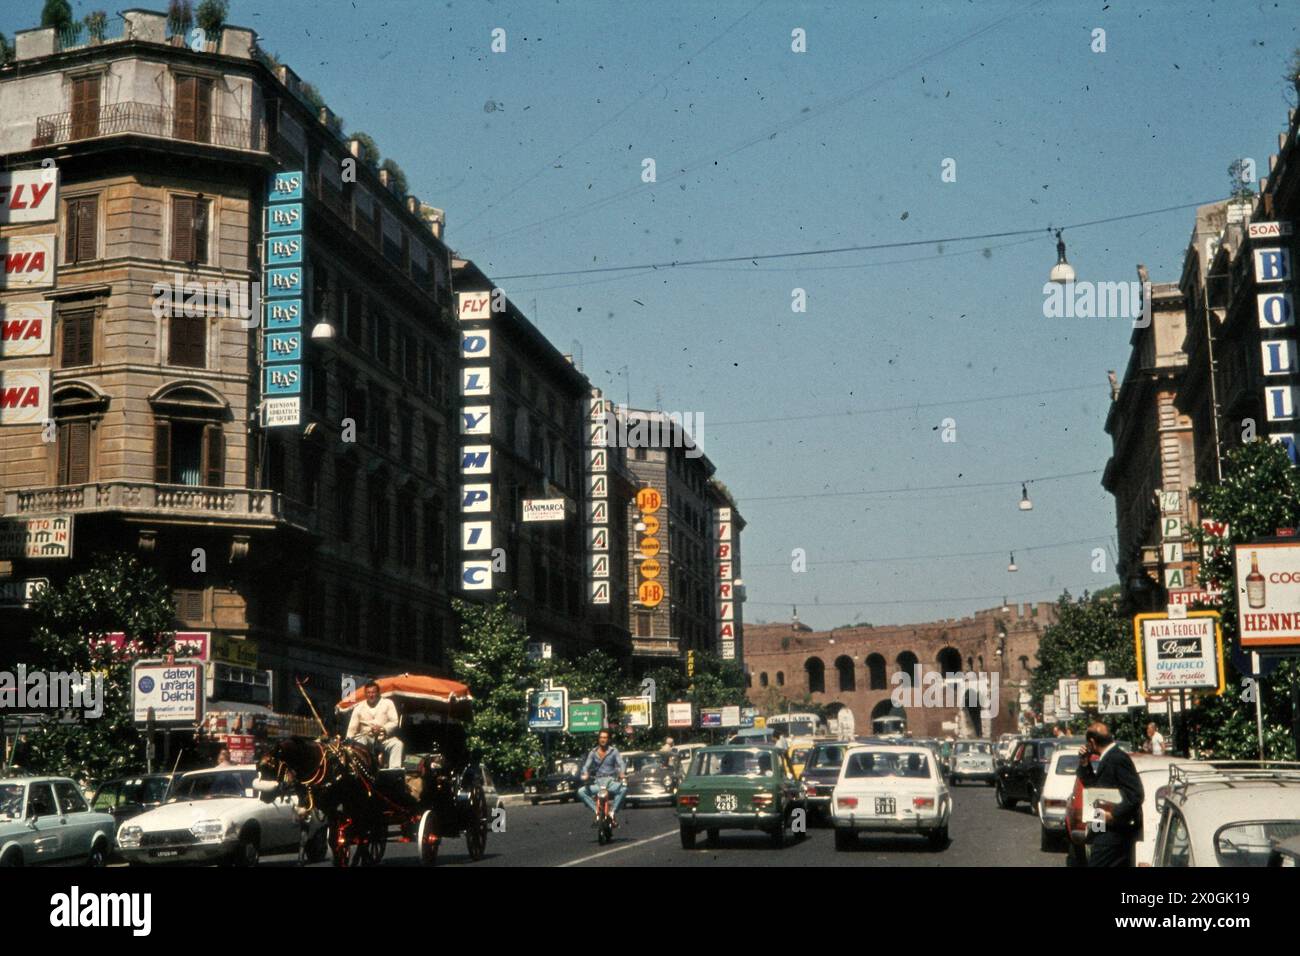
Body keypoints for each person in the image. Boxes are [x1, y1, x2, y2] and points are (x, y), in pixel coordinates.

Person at [1075, 721, 1144, 867]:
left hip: (1113, 833)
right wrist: (1084, 763)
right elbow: (1094, 789)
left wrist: (1113, 814)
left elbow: (1136, 794)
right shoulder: (1108, 757)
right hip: (1103, 829)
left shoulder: (1117, 758)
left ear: (1092, 742)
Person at [346, 681, 404, 769]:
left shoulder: (388, 703)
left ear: (378, 693)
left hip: (383, 738)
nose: (371, 695)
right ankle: (360, 769)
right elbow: (352, 728)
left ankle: (394, 771)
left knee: (397, 744)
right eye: (368, 693)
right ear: (365, 694)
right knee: (358, 743)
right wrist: (348, 741)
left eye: (373, 692)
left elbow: (394, 721)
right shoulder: (358, 708)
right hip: (366, 739)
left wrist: (383, 729)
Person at [579, 729, 627, 826]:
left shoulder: (614, 751)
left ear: (608, 739)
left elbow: (621, 763)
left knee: (623, 789)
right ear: (598, 739)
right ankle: (597, 811)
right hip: (598, 782)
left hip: (611, 781)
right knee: (581, 791)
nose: (602, 740)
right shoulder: (593, 752)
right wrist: (585, 774)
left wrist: (622, 773)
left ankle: (612, 812)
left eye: (605, 737)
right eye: (601, 737)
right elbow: (586, 766)